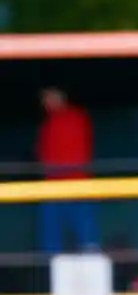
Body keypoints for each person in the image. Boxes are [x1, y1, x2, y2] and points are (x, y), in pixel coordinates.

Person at [36, 87, 99, 254]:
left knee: (87, 235)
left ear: (61, 97)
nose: (47, 103)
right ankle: (49, 267)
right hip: (52, 185)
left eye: (50, 97)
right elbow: (43, 155)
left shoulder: (77, 117)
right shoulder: (47, 124)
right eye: (44, 100)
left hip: (76, 182)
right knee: (51, 238)